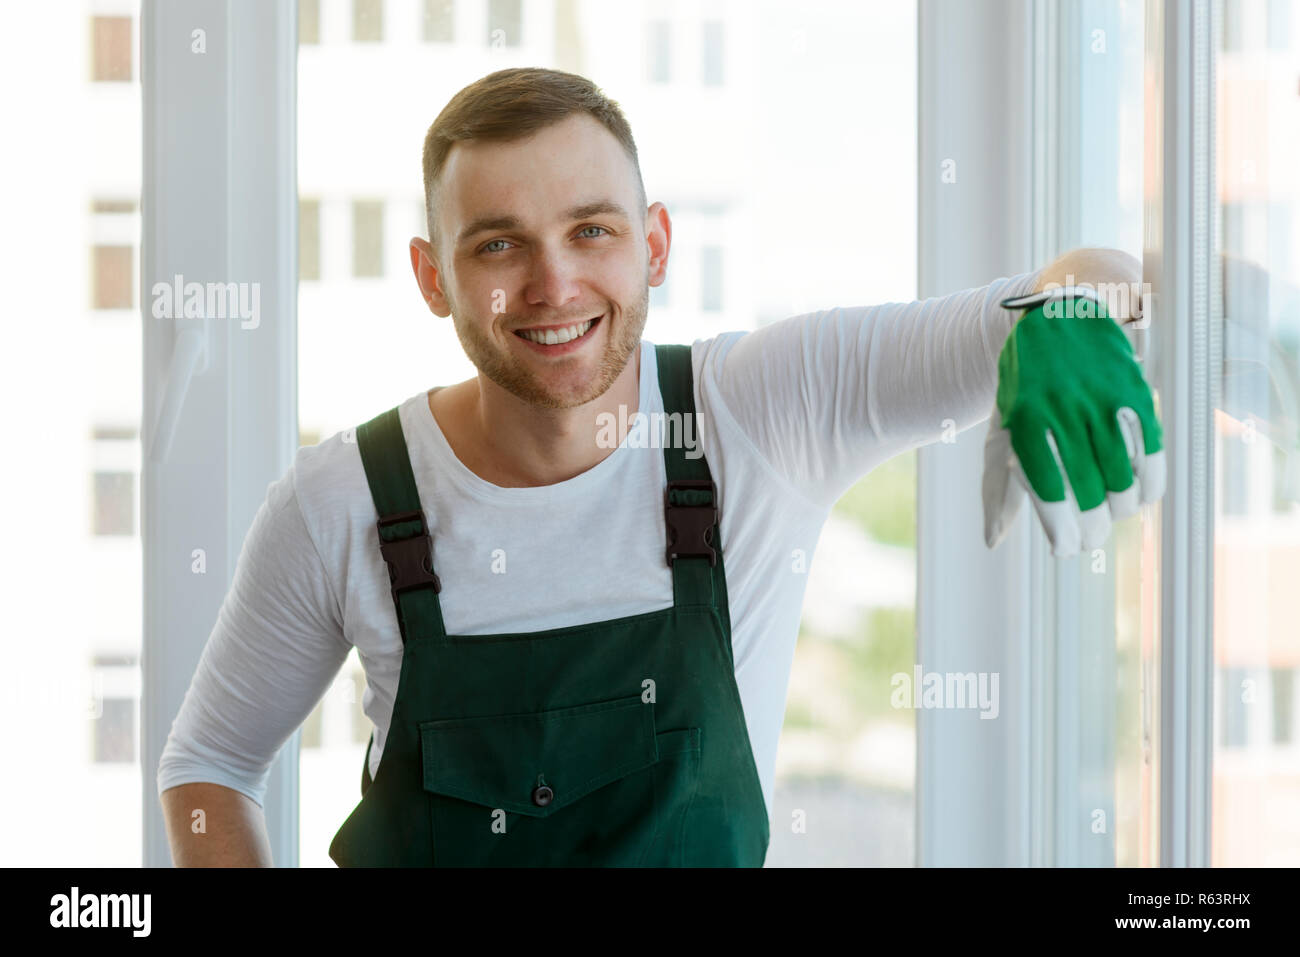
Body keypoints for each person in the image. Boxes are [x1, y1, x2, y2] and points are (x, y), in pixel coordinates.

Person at [158, 66, 1153, 867]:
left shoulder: (761, 410)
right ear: (433, 277)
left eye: (593, 229)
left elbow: (1092, 278)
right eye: (499, 244)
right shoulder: (343, 503)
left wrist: (1062, 312)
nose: (553, 285)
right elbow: (207, 766)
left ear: (657, 244)